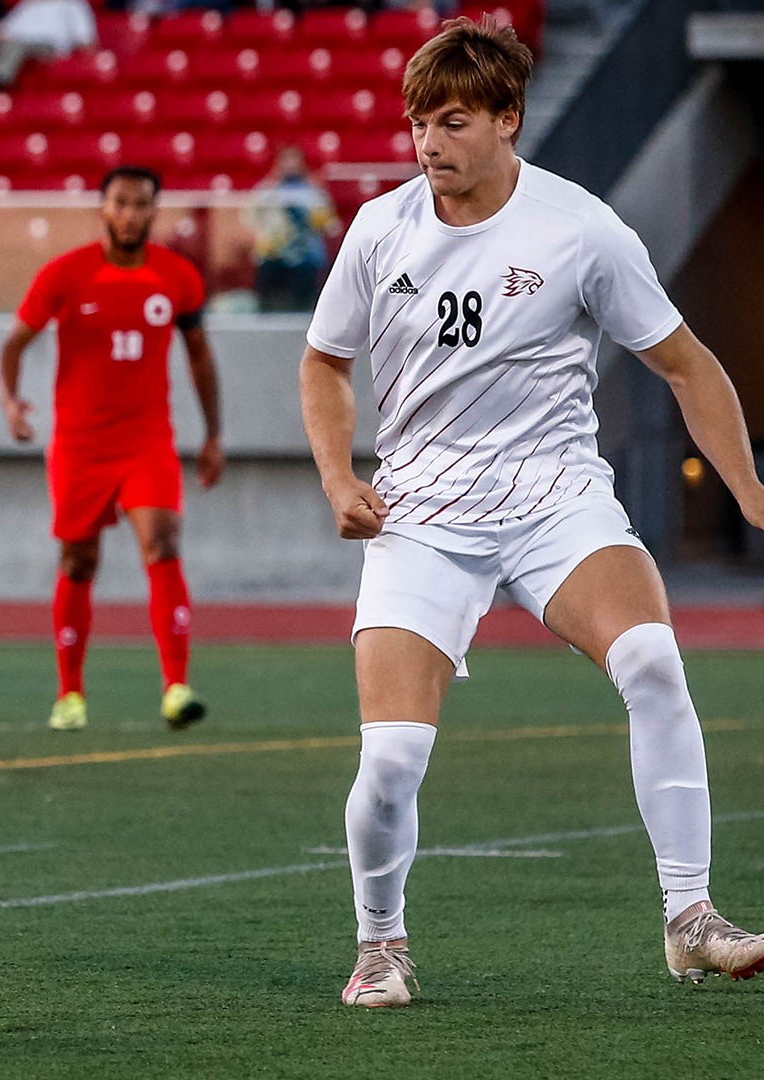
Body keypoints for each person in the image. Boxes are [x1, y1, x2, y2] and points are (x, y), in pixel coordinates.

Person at [299, 18, 764, 1009]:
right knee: (390, 759)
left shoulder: (582, 229)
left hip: (557, 500)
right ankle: (381, 945)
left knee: (651, 661)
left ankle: (691, 919)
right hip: (421, 513)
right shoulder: (381, 230)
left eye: (453, 120)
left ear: (509, 120)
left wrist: (751, 490)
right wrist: (341, 479)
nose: (429, 142)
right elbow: (325, 362)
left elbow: (684, 364)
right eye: (419, 121)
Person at [0, 165, 224, 733]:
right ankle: (69, 694)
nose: (130, 214)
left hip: (147, 439)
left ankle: (177, 686)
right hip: (80, 444)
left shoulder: (177, 278)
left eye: (141, 204)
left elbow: (199, 356)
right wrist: (11, 402)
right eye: (120, 203)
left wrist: (214, 433)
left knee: (163, 543)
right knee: (79, 560)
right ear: (102, 208)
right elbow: (13, 345)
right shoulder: (65, 275)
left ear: (154, 211)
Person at [250, 145, 339, 313]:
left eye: (294, 161)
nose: (290, 165)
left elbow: (329, 224)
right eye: (286, 161)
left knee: (304, 296)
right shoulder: (267, 191)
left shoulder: (314, 193)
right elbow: (253, 217)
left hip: (306, 257)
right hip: (275, 254)